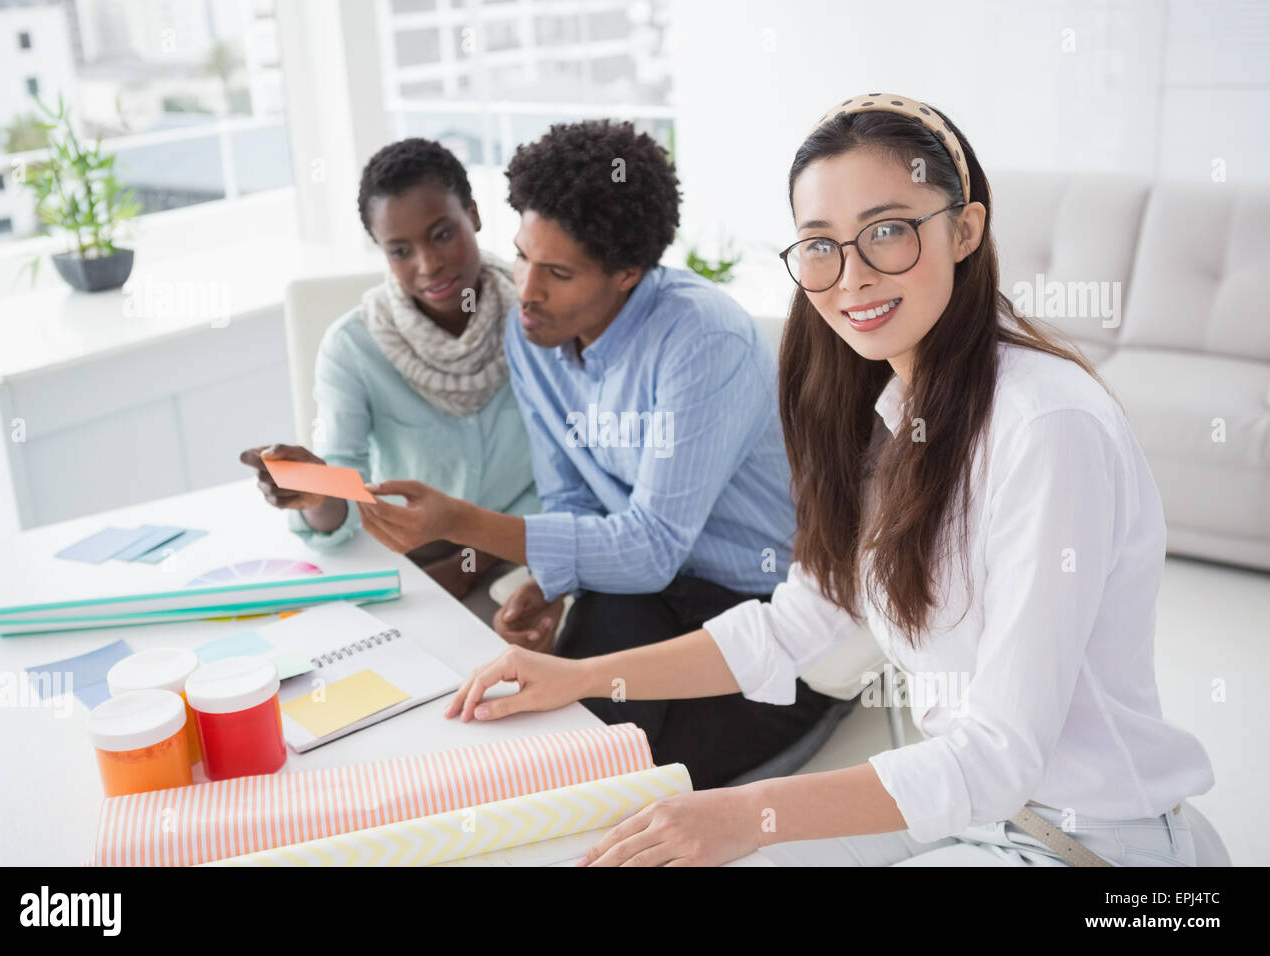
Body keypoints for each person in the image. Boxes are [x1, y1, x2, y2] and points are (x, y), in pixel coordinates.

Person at [439, 94, 1216, 867]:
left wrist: (748, 811)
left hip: (1092, 841)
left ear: (966, 230)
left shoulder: (1046, 426)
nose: (853, 276)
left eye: (888, 232)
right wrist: (573, 676)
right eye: (821, 244)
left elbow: (998, 754)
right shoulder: (883, 412)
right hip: (958, 809)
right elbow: (794, 624)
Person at [356, 119, 849, 789]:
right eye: (524, 256)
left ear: (627, 274)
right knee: (559, 756)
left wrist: (456, 522)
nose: (525, 291)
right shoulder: (531, 335)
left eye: (557, 273)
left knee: (643, 785)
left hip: (765, 611)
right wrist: (556, 583)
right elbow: (574, 499)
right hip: (647, 591)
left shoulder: (703, 342)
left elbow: (649, 546)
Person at [239, 138, 538, 599]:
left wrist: (473, 558)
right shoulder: (353, 348)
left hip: (523, 557)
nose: (429, 264)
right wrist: (318, 492)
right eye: (400, 250)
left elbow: (569, 474)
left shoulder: (537, 320)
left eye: (442, 234)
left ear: (474, 216)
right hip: (410, 566)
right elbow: (346, 499)